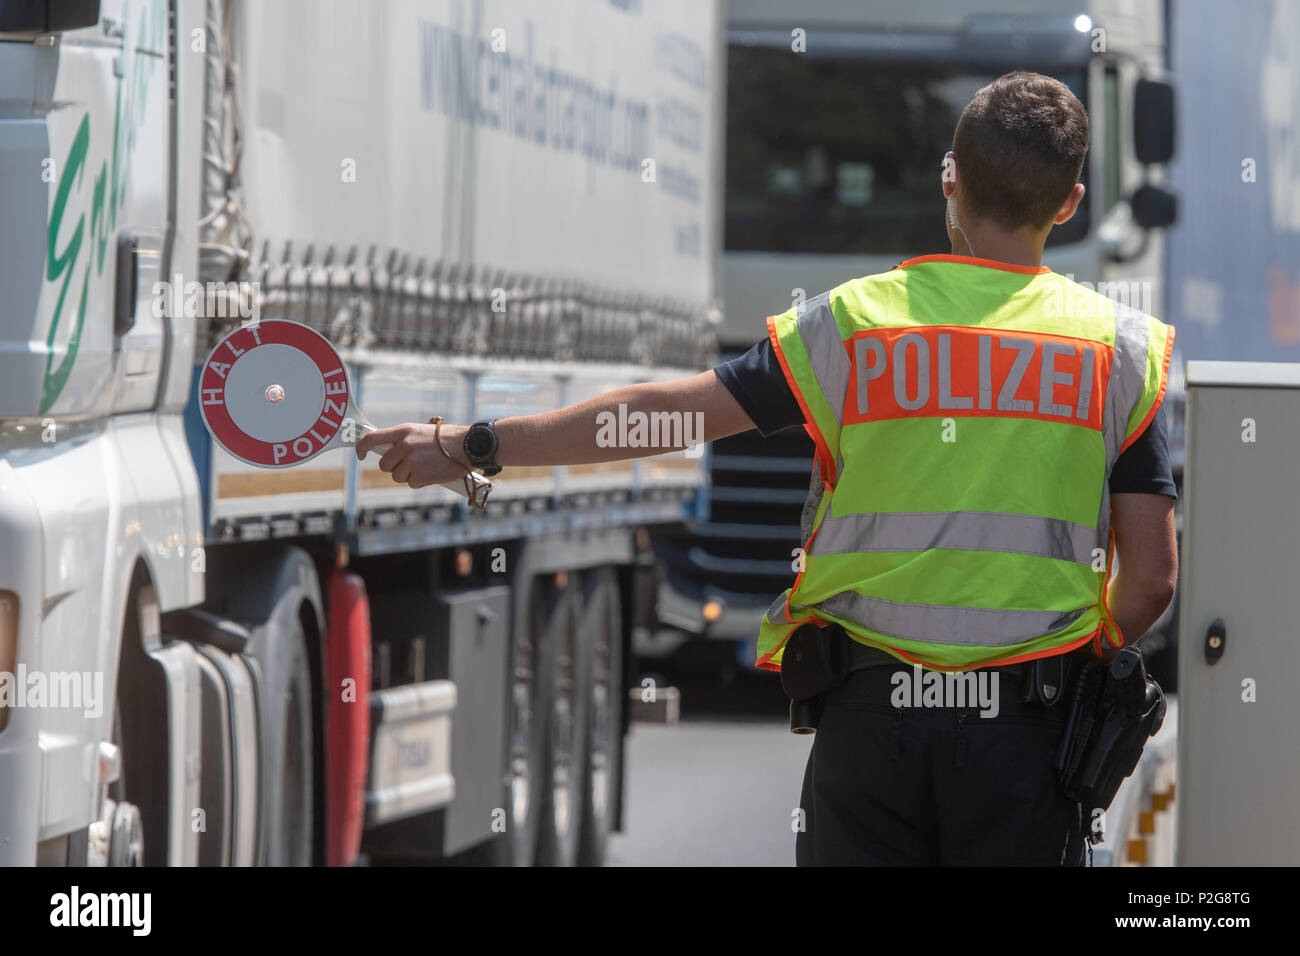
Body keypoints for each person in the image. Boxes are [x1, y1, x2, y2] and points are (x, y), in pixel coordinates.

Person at [357, 71, 1178, 866]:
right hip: (1027, 739)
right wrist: (1070, 654)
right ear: (1069, 205)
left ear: (949, 181)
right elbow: (1150, 583)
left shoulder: (856, 324)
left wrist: (475, 444)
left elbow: (662, 415)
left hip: (871, 732)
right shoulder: (1119, 351)